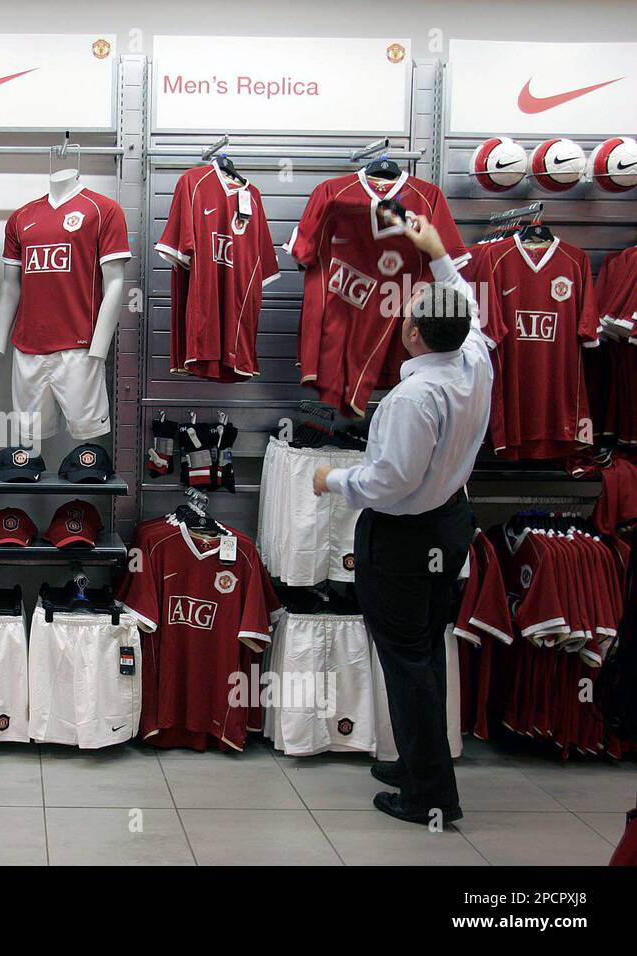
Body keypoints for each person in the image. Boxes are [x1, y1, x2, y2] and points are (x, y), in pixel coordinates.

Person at [312, 211, 490, 827]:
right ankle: (423, 761)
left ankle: (431, 794)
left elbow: (387, 482)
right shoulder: (472, 359)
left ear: (413, 334)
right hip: (448, 525)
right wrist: (439, 252)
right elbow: (465, 308)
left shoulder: (413, 398)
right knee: (425, 651)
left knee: (407, 661)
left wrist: (329, 479)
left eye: (410, 314)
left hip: (406, 535)